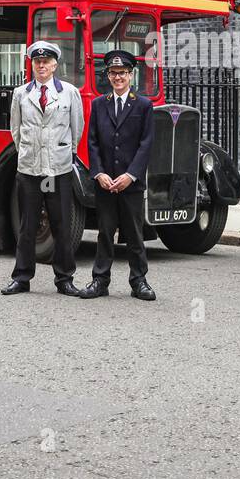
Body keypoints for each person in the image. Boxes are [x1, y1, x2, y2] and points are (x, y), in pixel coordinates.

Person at [1, 41, 85, 297]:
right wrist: (29, 150)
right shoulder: (20, 93)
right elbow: (16, 130)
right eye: (37, 62)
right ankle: (22, 277)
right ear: (32, 65)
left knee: (61, 226)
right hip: (29, 168)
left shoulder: (70, 92)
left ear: (55, 64)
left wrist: (60, 151)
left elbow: (76, 128)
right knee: (27, 225)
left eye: (46, 62)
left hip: (57, 169)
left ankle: (64, 279)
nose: (41, 66)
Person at [81, 50, 156, 301]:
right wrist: (99, 173)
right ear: (108, 76)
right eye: (113, 73)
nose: (118, 77)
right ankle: (100, 280)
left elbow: (146, 145)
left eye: (122, 73)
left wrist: (130, 176)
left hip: (130, 184)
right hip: (105, 182)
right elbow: (92, 143)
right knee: (105, 232)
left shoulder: (143, 105)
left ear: (131, 75)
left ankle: (139, 281)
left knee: (134, 233)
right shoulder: (98, 104)